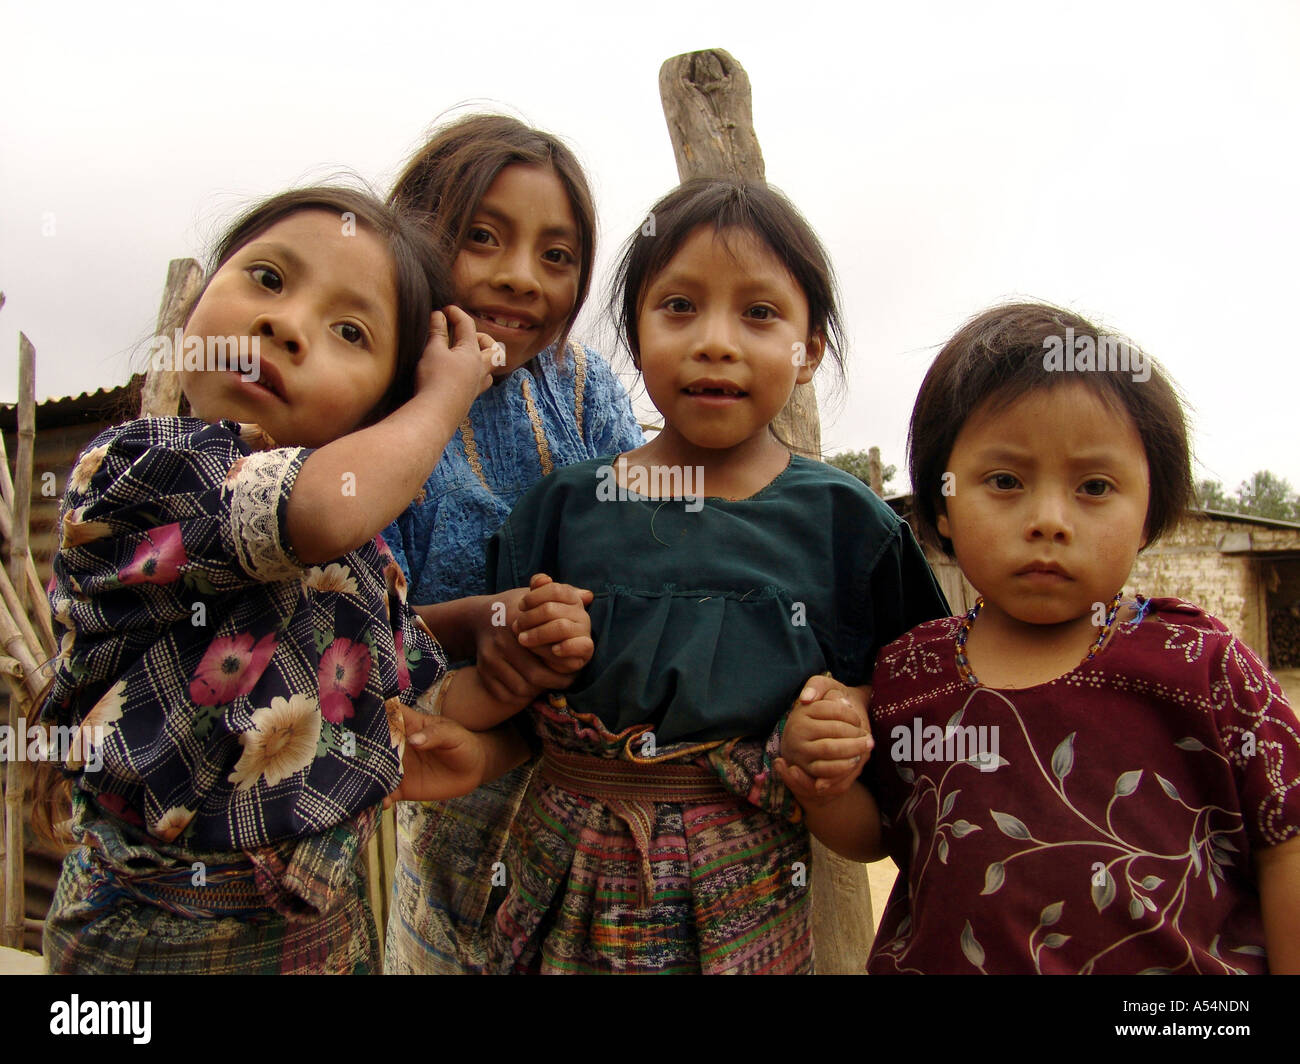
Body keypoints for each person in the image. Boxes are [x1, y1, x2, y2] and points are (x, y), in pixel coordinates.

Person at [37, 186, 590, 974]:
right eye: (266, 278)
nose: (284, 326)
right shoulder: (146, 468)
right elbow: (319, 510)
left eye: (349, 330)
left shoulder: (357, 559)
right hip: (154, 929)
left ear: (377, 406)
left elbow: (411, 696)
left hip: (324, 928)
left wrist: (500, 628)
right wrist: (446, 393)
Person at [403, 178, 947, 972]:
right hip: (554, 893)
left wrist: (846, 715)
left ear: (811, 350)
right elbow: (515, 719)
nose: (714, 342)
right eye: (679, 307)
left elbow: (917, 697)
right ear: (635, 332)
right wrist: (497, 700)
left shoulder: (848, 525)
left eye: (759, 313)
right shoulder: (561, 512)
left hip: (747, 907)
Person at [778, 302, 1300, 974]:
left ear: (1149, 512)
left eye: (1094, 486)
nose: (1049, 520)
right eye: (1005, 481)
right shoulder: (913, 671)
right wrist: (826, 785)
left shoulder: (1200, 664)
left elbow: (1285, 841)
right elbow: (880, 834)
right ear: (941, 502)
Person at [379, 114, 644, 974]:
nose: (521, 277)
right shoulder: (377, 400)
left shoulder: (580, 386)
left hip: (603, 801)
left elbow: (635, 554)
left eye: (557, 256)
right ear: (411, 234)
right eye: (481, 237)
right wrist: (484, 634)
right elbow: (354, 627)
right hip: (453, 793)